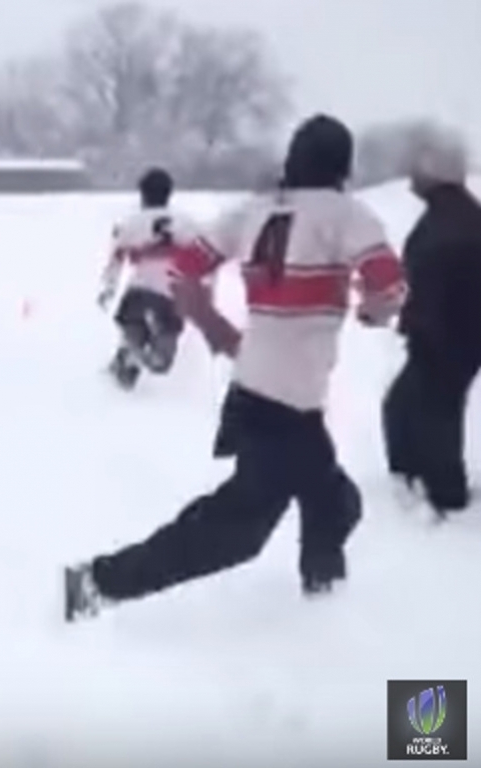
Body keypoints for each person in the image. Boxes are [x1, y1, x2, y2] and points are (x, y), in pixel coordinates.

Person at [65, 115, 407, 622]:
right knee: (237, 532)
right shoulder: (346, 216)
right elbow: (389, 288)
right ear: (342, 167)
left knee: (334, 502)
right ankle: (96, 583)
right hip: (285, 405)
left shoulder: (254, 211)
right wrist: (371, 312)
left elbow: (185, 269)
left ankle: (323, 597)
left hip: (259, 391)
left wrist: (213, 325)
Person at [382, 126, 481, 517]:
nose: (411, 177)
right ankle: (418, 478)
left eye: (417, 169)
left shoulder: (451, 222)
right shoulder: (458, 213)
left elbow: (439, 281)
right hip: (453, 333)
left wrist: (423, 326)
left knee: (431, 408)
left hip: (448, 335)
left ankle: (444, 493)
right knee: (409, 405)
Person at [97, 168, 200, 389]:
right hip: (171, 294)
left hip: (138, 292)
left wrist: (109, 288)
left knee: (134, 334)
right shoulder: (187, 224)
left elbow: (116, 260)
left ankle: (125, 368)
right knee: (161, 361)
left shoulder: (131, 223)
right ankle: (131, 363)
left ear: (142, 194)